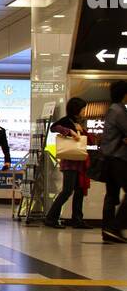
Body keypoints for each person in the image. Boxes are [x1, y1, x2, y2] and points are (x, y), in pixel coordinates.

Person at [44, 97, 89, 230]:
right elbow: (53, 127)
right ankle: (51, 217)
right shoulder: (67, 120)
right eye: (82, 108)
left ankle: (77, 219)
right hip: (70, 162)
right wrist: (70, 131)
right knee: (67, 190)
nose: (84, 111)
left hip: (80, 161)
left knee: (79, 191)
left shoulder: (79, 121)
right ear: (77, 109)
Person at [99, 80, 127, 243]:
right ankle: (115, 227)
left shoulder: (112, 109)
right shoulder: (119, 110)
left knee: (111, 195)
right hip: (118, 159)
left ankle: (108, 231)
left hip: (109, 158)